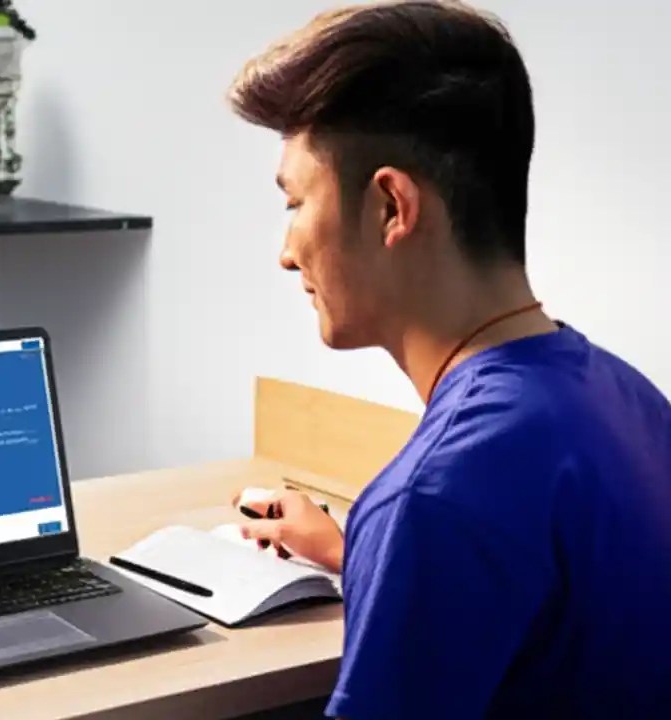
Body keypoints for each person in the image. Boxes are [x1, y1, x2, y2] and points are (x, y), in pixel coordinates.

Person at [224, 1, 671, 718]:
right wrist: (364, 555)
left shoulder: (436, 496)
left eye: (295, 203)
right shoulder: (628, 400)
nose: (286, 254)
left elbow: (457, 513)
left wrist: (402, 536)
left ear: (391, 209)